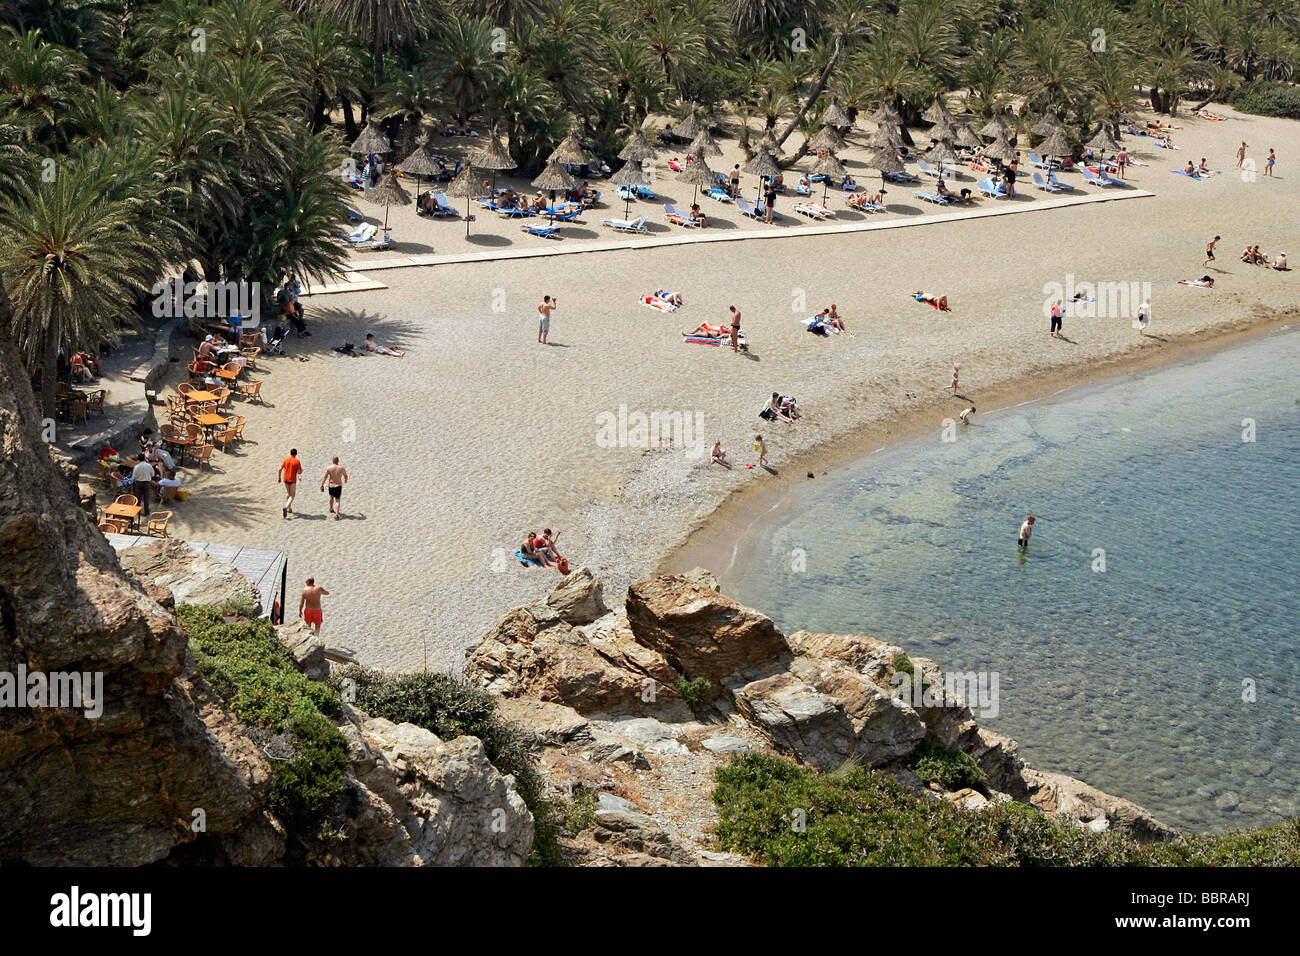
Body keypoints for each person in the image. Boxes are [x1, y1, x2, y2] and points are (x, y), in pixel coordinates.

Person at [279, 448, 303, 519]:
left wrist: (279, 477)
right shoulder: (297, 461)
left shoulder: (286, 460)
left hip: (286, 479)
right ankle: (286, 507)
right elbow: (299, 472)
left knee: (289, 494)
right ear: (296, 454)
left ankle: (289, 508)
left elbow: (280, 469)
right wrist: (301, 471)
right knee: (292, 495)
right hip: (292, 479)